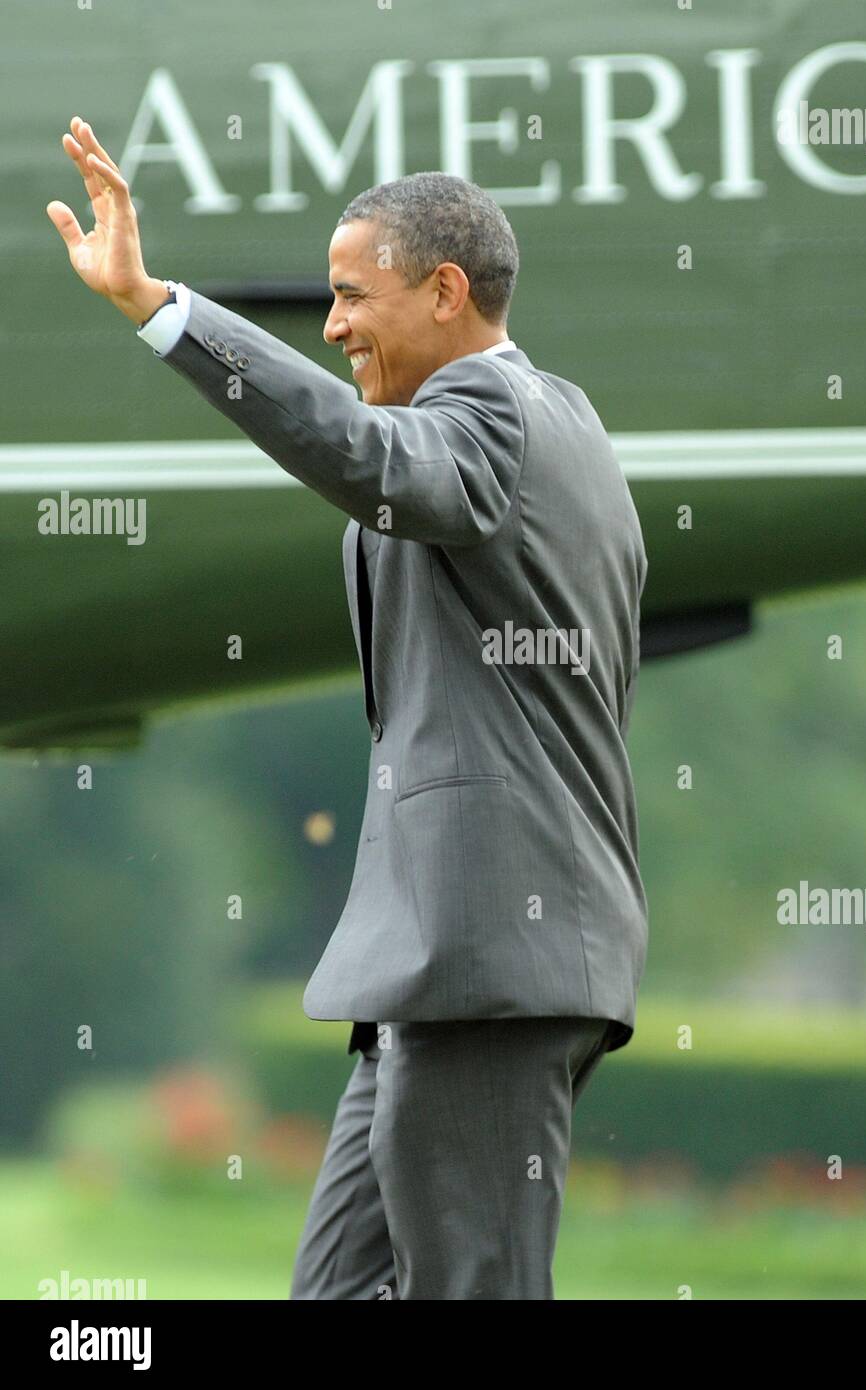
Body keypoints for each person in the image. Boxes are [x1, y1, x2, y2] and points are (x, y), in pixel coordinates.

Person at [48, 115, 649, 1300]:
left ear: (445, 291)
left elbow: (360, 454)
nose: (330, 325)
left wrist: (161, 309)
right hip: (454, 968)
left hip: (488, 960)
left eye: (350, 296)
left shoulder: (493, 420)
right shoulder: (560, 421)